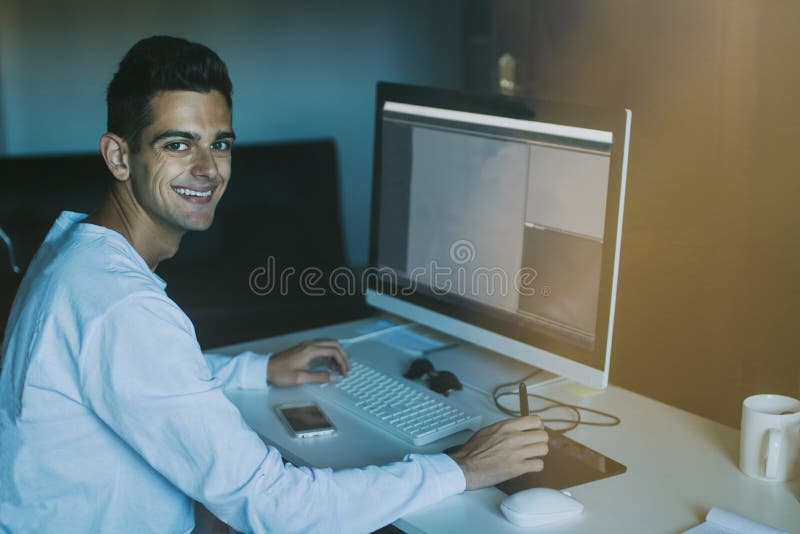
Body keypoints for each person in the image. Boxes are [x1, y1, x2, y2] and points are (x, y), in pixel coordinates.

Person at [0, 36, 549, 533]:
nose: (209, 169)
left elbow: (136, 376)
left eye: (220, 144)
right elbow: (276, 507)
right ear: (120, 156)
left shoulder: (73, 253)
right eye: (177, 145)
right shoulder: (121, 307)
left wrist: (260, 369)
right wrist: (461, 468)